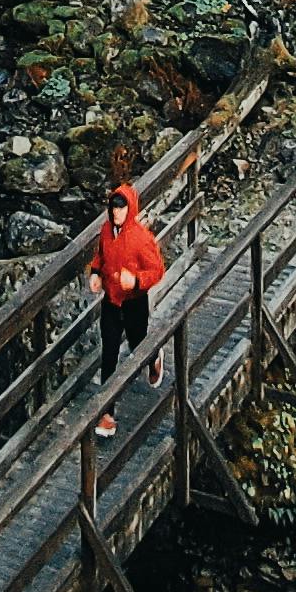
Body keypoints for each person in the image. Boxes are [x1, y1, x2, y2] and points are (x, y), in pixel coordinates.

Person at [88, 147, 165, 437]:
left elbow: (157, 270)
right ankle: (107, 413)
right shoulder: (106, 231)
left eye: (121, 207)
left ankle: (153, 357)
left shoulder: (142, 238)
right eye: (113, 207)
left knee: (138, 346)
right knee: (109, 352)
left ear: (129, 208)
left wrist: (137, 282)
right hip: (111, 300)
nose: (116, 212)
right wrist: (96, 274)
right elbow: (99, 257)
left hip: (133, 301)